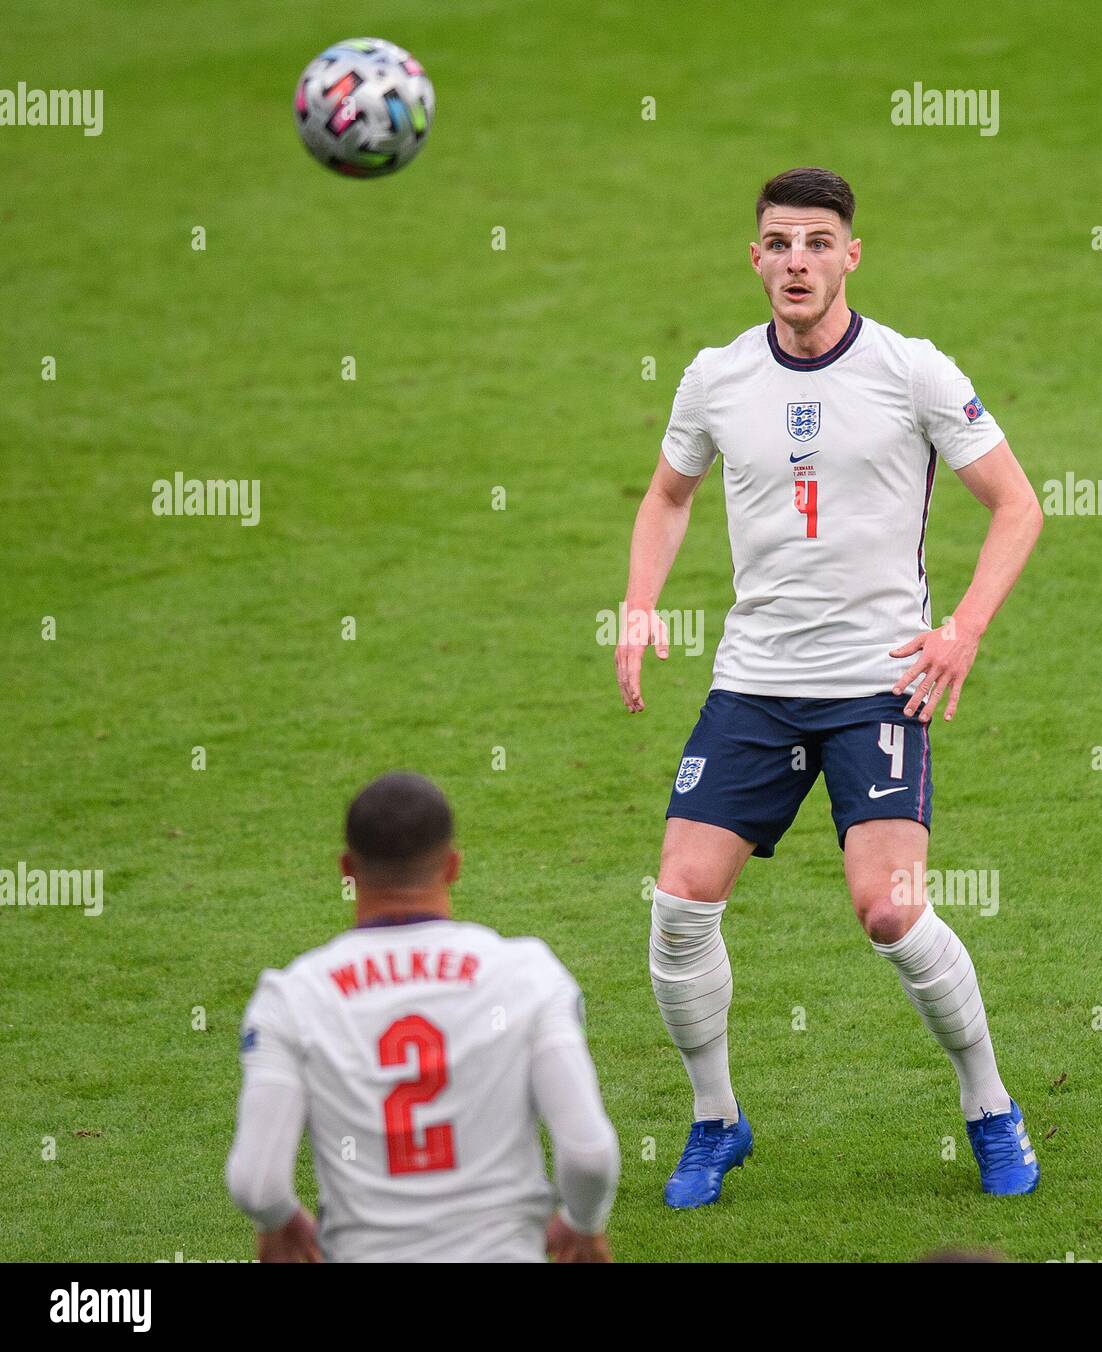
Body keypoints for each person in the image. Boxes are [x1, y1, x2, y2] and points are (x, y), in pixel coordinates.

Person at [616, 167, 1043, 1208]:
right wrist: (638, 603)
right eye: (777, 243)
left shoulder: (913, 370)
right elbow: (667, 496)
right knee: (678, 899)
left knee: (889, 912)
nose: (795, 260)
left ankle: (989, 1105)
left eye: (816, 242)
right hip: (756, 683)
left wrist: (961, 631)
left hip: (875, 685)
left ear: (851, 254)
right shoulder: (715, 377)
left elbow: (1017, 505)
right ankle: (716, 1120)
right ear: (753, 258)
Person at [225, 771, 619, 1260]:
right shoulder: (527, 974)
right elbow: (588, 1155)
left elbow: (257, 1181)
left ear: (347, 869)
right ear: (452, 866)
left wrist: (279, 1220)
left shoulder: (294, 995)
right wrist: (584, 1222)